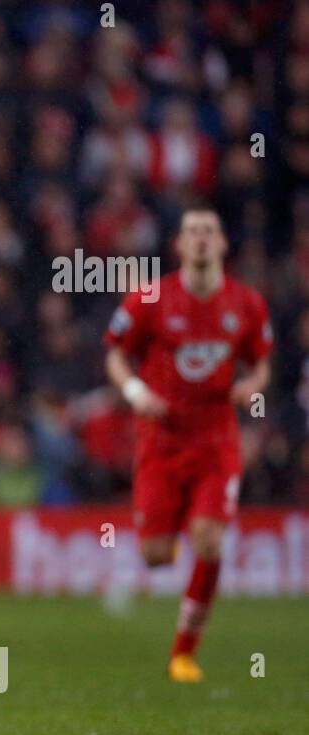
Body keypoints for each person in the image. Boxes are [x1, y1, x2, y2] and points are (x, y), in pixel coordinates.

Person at [104, 205, 272, 683]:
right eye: (191, 231)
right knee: (156, 554)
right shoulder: (151, 298)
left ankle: (183, 653)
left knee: (209, 541)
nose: (200, 238)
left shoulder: (246, 304)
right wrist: (136, 392)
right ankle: (172, 529)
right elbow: (115, 355)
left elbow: (260, 362)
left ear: (222, 244)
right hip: (159, 440)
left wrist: (252, 386)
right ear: (178, 245)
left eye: (209, 231)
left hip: (216, 440)